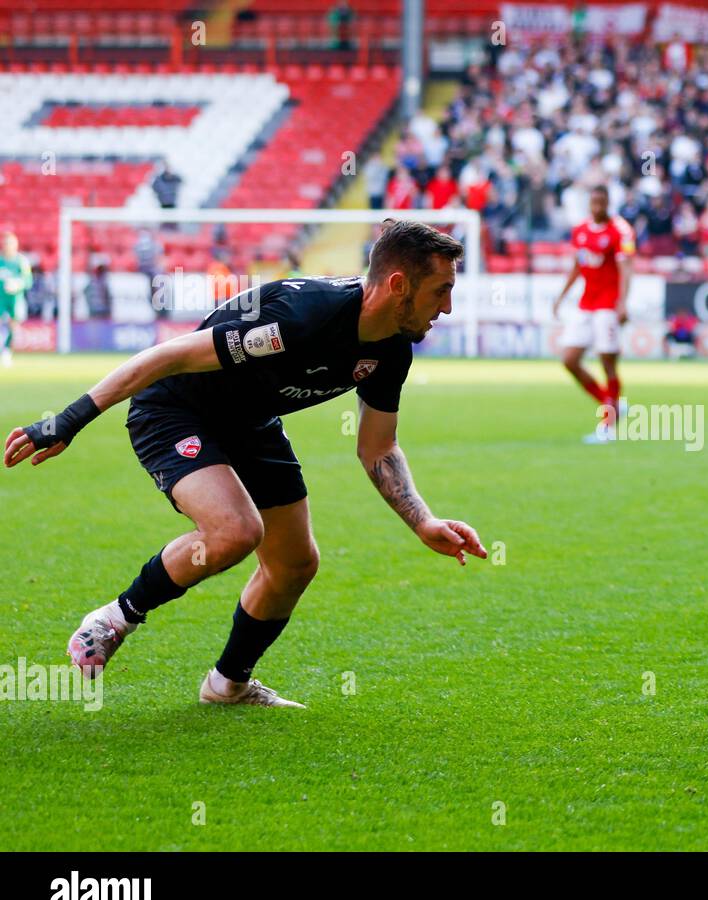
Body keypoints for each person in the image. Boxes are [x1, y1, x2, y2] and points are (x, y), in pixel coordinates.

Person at [3, 221, 487, 707]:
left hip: (252, 422)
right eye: (441, 290)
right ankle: (113, 618)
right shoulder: (303, 318)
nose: (446, 306)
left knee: (296, 564)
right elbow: (167, 356)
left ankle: (227, 684)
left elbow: (378, 448)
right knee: (236, 531)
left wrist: (422, 520)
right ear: (399, 284)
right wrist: (67, 420)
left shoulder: (392, 349)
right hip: (176, 410)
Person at [552, 185, 634, 444]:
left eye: (602, 202)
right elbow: (579, 265)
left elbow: (627, 268)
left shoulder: (620, 230)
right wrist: (562, 295)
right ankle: (611, 404)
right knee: (569, 359)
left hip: (608, 305)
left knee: (607, 361)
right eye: (594, 202)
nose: (597, 207)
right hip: (586, 303)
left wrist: (622, 302)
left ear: (608, 203)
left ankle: (608, 426)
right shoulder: (581, 231)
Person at [0, 231, 33, 367]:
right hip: (1, 298)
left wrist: (17, 284)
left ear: (16, 245)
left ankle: (6, 352)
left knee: (13, 325)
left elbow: (28, 281)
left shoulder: (21, 261)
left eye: (11, 243)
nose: (8, 246)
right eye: (6, 243)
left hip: (15, 299)